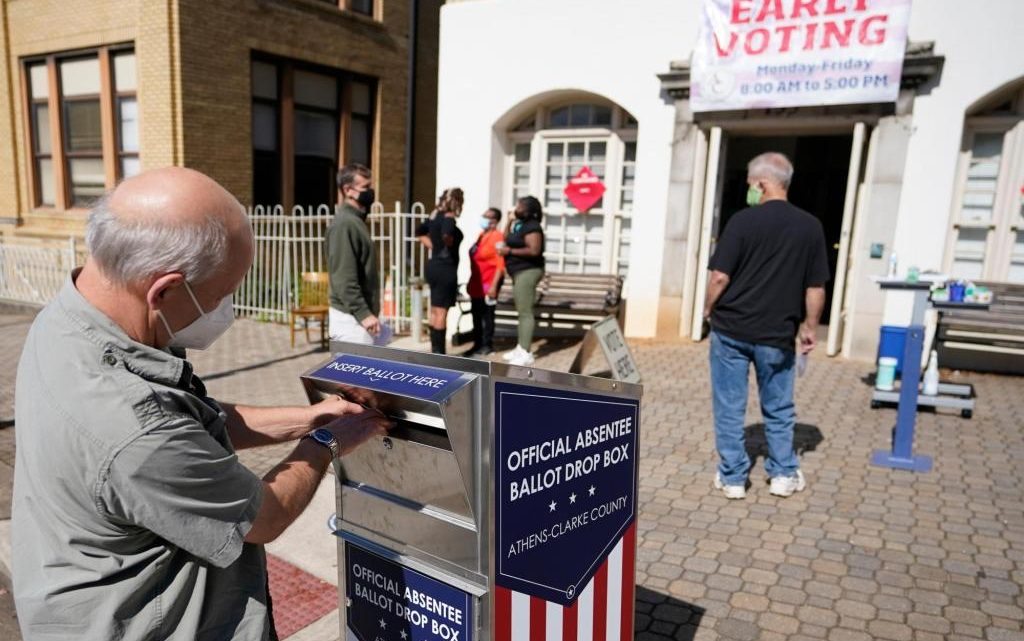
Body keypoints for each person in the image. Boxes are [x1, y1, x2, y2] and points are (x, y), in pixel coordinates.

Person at [11, 167, 393, 640]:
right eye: (221, 296)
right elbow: (264, 516)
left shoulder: (70, 317)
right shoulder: (134, 428)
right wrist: (324, 444)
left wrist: (308, 417)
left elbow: (191, 421)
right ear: (165, 290)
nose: (225, 312)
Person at [703, 152, 829, 500]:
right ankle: (783, 475)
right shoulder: (810, 227)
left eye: (749, 184)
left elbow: (719, 276)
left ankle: (732, 478)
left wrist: (707, 309)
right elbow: (815, 286)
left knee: (729, 406)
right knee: (779, 407)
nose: (748, 190)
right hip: (777, 334)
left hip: (731, 330)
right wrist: (810, 327)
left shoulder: (742, 222)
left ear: (762, 183)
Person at [328, 163, 381, 345]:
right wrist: (364, 314)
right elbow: (344, 278)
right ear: (348, 190)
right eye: (365, 187)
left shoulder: (355, 222)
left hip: (358, 321)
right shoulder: (345, 225)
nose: (370, 192)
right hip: (351, 322)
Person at [496, 196, 545, 366]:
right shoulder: (520, 225)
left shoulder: (533, 227)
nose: (516, 207)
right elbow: (505, 238)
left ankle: (526, 352)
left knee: (525, 312)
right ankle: (520, 347)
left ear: (529, 209)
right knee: (521, 310)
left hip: (528, 271)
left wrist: (509, 251)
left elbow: (534, 250)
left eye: (520, 205)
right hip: (518, 272)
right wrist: (509, 221)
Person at [416, 188, 465, 354]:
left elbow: (420, 232)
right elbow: (447, 234)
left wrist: (435, 247)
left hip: (433, 266)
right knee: (442, 312)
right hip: (446, 269)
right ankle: (439, 354)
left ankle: (434, 351)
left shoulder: (434, 215)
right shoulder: (448, 219)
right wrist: (447, 242)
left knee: (434, 309)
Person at [465, 207, 505, 356]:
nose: (482, 218)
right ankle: (477, 344)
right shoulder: (482, 235)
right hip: (476, 282)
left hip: (489, 282)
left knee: (487, 315)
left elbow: (501, 264)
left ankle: (487, 344)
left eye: (486, 216)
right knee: (476, 314)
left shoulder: (498, 237)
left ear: (494, 221)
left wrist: (494, 286)